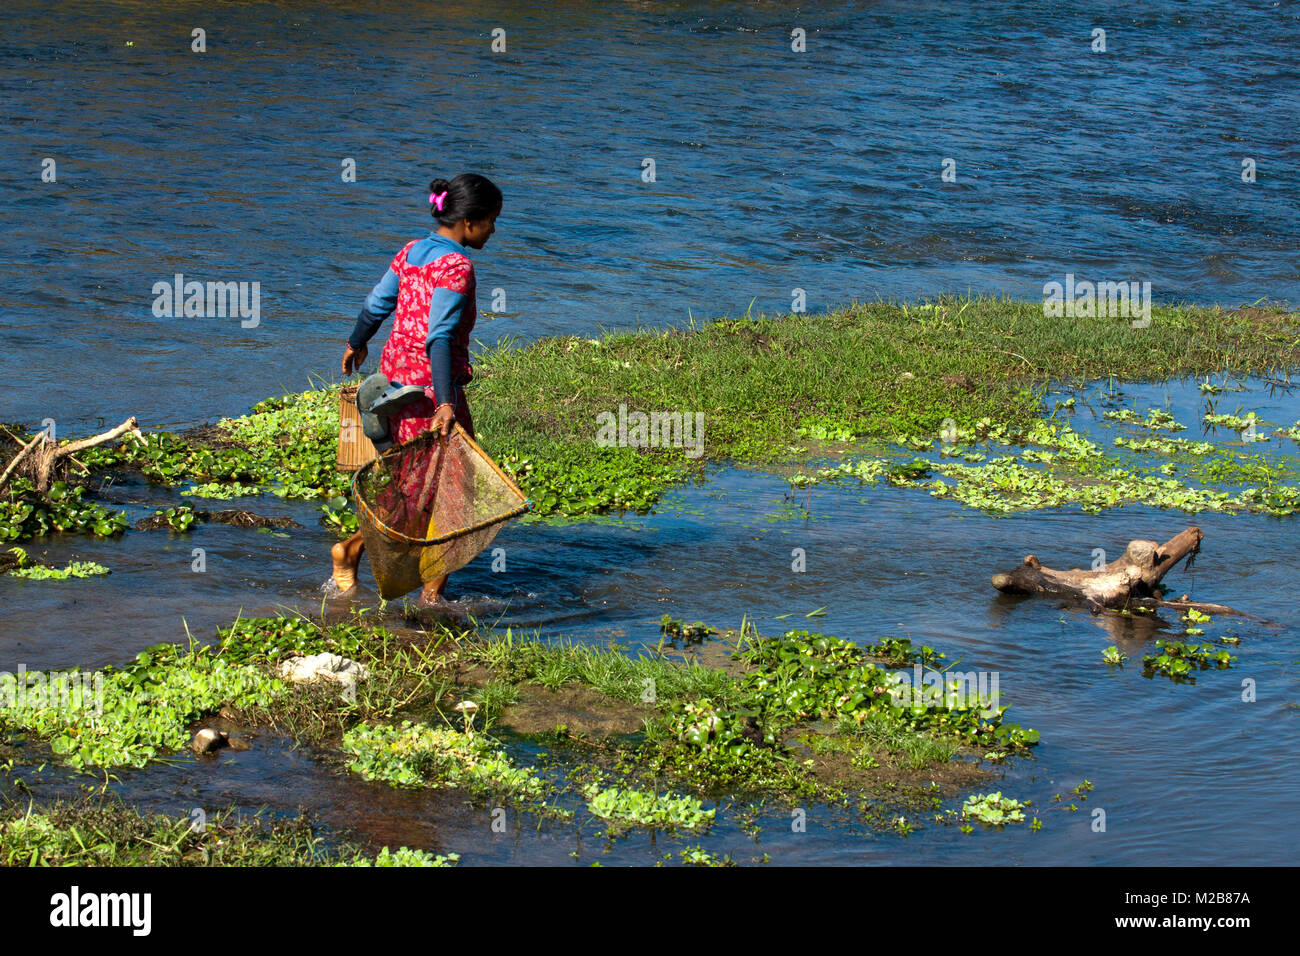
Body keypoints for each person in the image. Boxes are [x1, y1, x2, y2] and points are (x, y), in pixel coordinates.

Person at [330, 173, 502, 607]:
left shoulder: (411, 250)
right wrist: (445, 401)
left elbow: (376, 303)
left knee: (412, 480)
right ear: (469, 222)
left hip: (392, 381)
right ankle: (430, 597)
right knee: (454, 490)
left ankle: (352, 551)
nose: (493, 231)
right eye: (491, 221)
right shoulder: (457, 265)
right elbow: (439, 337)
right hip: (428, 391)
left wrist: (356, 341)